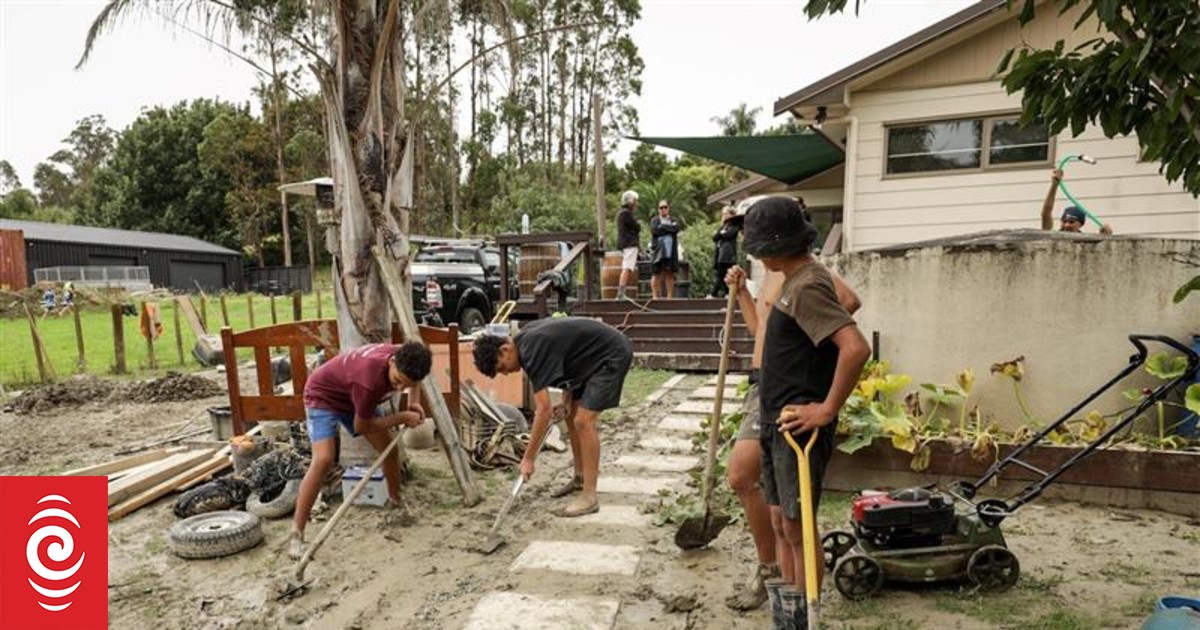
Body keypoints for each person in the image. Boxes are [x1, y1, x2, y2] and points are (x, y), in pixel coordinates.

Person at [742, 196, 871, 628]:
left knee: (797, 527)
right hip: (775, 421)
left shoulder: (808, 285)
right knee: (782, 522)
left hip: (799, 430)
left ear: (774, 247)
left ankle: (808, 619)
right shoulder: (793, 280)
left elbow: (855, 349)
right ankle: (789, 616)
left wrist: (826, 409)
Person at [722, 246, 861, 612]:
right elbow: (760, 332)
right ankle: (780, 585)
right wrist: (742, 294)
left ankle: (796, 596)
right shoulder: (773, 272)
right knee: (776, 510)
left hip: (786, 389)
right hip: (762, 384)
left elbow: (849, 302)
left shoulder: (804, 271)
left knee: (781, 506)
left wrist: (810, 342)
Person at [472, 317, 633, 517]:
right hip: (591, 358)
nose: (505, 373)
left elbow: (544, 410)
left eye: (501, 368)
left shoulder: (531, 350)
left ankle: (589, 497)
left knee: (583, 421)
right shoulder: (526, 343)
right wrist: (566, 400)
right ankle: (580, 477)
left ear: (504, 349)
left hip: (611, 354)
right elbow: (569, 354)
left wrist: (528, 459)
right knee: (571, 416)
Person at [290, 341, 433, 559]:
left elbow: (415, 382)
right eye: (397, 381)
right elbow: (361, 426)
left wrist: (413, 402)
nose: (398, 389)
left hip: (355, 396)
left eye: (405, 385)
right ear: (392, 362)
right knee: (324, 460)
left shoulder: (410, 357)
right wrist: (402, 417)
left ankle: (396, 504)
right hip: (323, 396)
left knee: (389, 450)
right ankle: (297, 534)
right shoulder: (369, 381)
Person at [1041, 169, 1113, 234]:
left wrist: (1105, 237)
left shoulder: (1085, 241)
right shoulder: (1053, 237)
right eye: (1064, 221)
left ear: (1080, 225)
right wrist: (1054, 185)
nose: (1067, 225)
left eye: (1071, 222)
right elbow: (1046, 214)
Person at [650, 200, 682, 299]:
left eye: (665, 207)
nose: (663, 209)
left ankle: (669, 297)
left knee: (670, 273)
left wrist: (663, 227)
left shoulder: (674, 220)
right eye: (661, 207)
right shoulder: (655, 220)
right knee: (656, 273)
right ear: (658, 209)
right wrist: (669, 228)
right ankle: (655, 296)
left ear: (668, 208)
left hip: (671, 252)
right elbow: (655, 231)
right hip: (658, 251)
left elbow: (676, 228)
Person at [616, 190, 642, 300]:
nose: (636, 203)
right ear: (630, 201)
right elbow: (637, 227)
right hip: (629, 244)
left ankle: (621, 293)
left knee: (627, 267)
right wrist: (638, 225)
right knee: (627, 267)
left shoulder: (622, 213)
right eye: (635, 201)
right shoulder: (626, 214)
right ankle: (621, 294)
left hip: (625, 244)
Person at [710, 206, 740, 298]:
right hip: (720, 254)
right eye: (723, 214)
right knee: (722, 275)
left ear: (731, 215)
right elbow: (715, 237)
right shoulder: (723, 227)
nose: (724, 216)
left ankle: (714, 294)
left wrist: (720, 234)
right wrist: (720, 234)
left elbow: (728, 235)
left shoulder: (734, 226)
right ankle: (728, 293)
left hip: (728, 255)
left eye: (726, 214)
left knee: (722, 275)